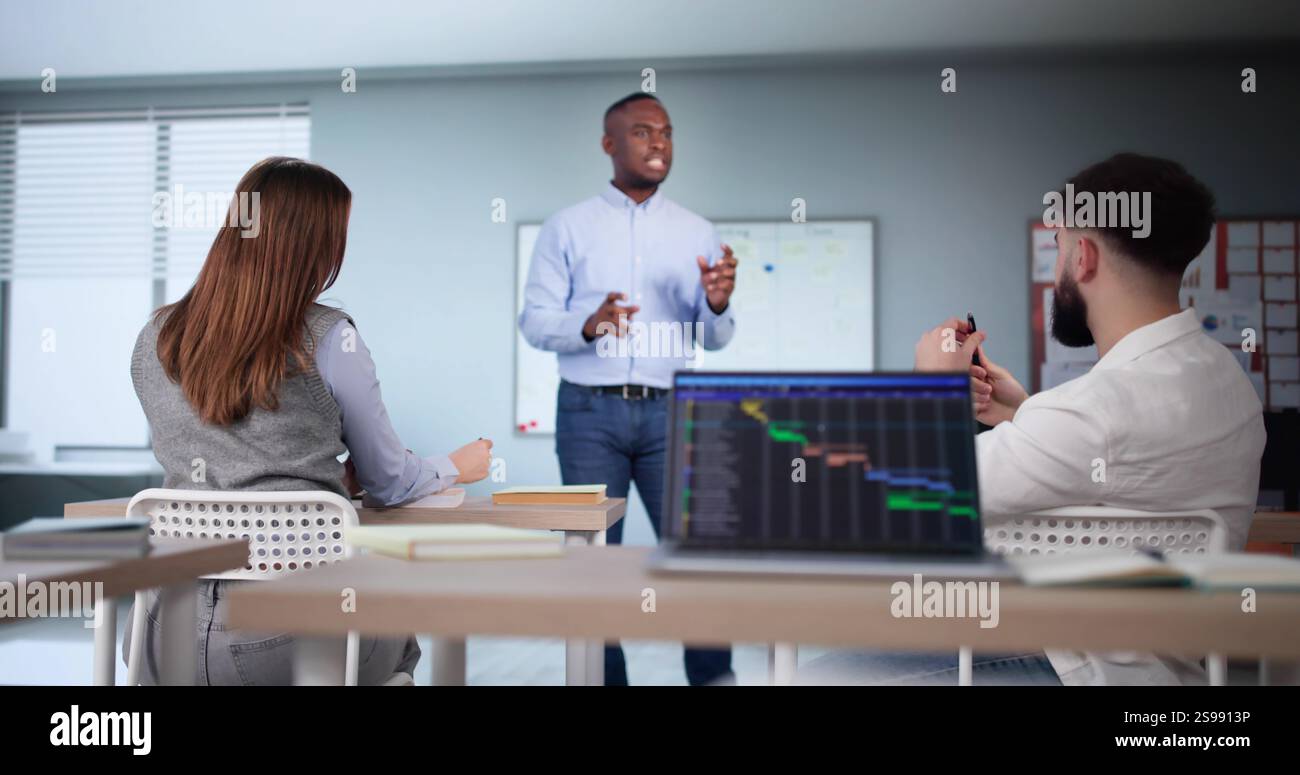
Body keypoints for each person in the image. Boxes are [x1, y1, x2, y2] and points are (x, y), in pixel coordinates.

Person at [809, 153, 1266, 686]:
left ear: (1085, 258)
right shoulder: (1225, 380)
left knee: (811, 676)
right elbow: (1123, 470)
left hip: (1078, 666)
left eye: (1060, 249)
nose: (1058, 269)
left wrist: (930, 388)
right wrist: (1023, 413)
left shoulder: (1095, 408)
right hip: (1180, 670)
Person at [126, 156, 493, 685]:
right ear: (313, 245)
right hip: (287, 639)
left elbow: (214, 448)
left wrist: (315, 473)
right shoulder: (331, 338)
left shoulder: (154, 338)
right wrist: (455, 466)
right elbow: (389, 484)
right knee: (400, 617)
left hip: (160, 636)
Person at [519, 93, 739, 685]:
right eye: (642, 132)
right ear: (609, 143)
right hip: (589, 415)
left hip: (675, 414)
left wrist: (717, 303)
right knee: (594, 565)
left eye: (666, 132)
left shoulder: (697, 231)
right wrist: (590, 323)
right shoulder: (567, 227)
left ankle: (715, 681)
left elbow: (716, 339)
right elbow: (534, 323)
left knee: (698, 560)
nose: (659, 142)